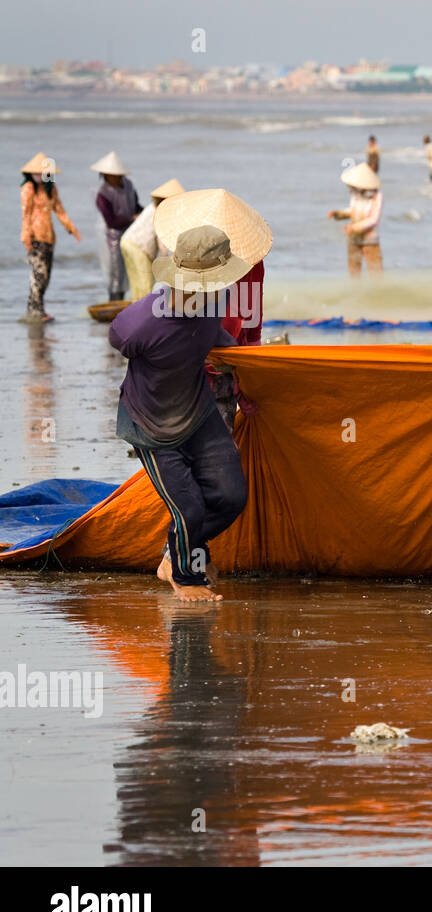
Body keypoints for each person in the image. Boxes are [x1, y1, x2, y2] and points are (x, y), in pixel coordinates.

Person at [108, 224, 250, 601]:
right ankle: (186, 577)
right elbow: (118, 337)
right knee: (188, 506)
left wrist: (232, 356)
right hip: (150, 424)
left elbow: (214, 336)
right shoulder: (144, 320)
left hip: (197, 411)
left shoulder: (212, 304)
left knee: (231, 496)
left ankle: (178, 555)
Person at [155, 188, 274, 432]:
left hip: (191, 369)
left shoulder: (188, 258)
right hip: (222, 367)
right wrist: (247, 386)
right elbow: (251, 326)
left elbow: (167, 318)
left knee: (183, 449)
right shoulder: (251, 266)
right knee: (218, 450)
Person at [18, 152, 81, 323]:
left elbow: (60, 211)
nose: (38, 176)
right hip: (34, 237)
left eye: (41, 173)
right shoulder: (28, 188)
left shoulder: (51, 189)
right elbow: (26, 214)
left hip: (49, 237)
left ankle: (36, 310)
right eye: (35, 173)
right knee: (38, 274)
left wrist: (72, 229)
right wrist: (25, 237)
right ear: (30, 173)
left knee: (46, 277)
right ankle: (35, 311)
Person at [121, 178, 185, 302]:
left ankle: (136, 307)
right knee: (146, 281)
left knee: (136, 282)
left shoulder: (153, 207)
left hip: (127, 241)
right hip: (138, 247)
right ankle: (145, 312)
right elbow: (161, 238)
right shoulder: (162, 211)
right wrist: (168, 257)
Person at [91, 151, 142, 301]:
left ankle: (124, 300)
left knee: (129, 270)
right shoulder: (102, 194)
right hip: (112, 236)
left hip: (131, 233)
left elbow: (136, 206)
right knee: (115, 271)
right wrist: (132, 217)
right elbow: (111, 221)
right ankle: (114, 300)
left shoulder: (128, 185)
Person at [329, 164, 383, 277]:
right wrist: (338, 214)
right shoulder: (355, 194)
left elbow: (374, 219)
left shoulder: (376, 196)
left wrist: (354, 227)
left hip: (370, 240)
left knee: (376, 274)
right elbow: (352, 211)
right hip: (353, 238)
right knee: (354, 274)